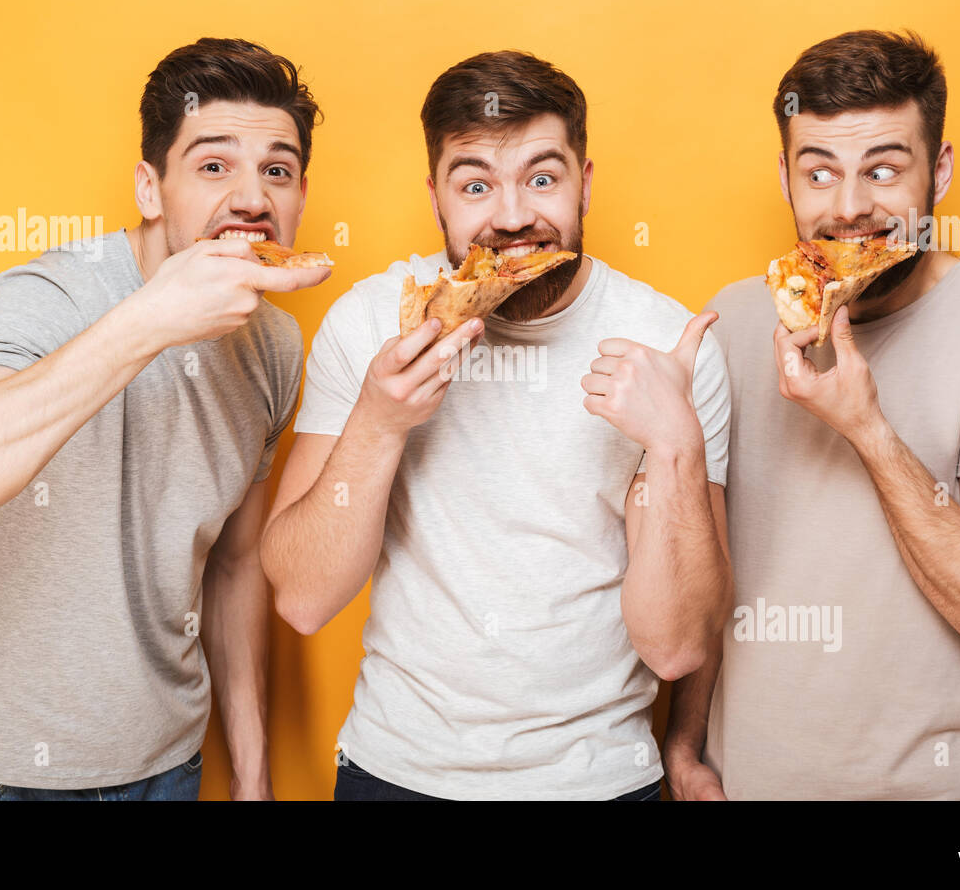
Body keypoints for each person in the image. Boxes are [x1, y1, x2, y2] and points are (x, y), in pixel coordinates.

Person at [261, 50, 734, 800]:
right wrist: (380, 424)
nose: (512, 217)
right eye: (476, 184)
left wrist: (675, 446)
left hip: (603, 780)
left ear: (586, 180)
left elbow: (676, 648)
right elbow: (302, 597)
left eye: (542, 178)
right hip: (396, 773)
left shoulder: (666, 346)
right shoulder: (371, 324)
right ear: (436, 196)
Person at [0, 37, 331, 800]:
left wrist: (251, 775)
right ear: (150, 190)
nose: (252, 199)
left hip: (166, 769)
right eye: (214, 165)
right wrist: (151, 321)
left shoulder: (277, 345)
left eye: (276, 171)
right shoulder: (53, 293)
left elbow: (235, 564)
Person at [664, 30, 960, 800]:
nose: (851, 207)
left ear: (942, 169)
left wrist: (865, 426)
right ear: (786, 178)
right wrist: (687, 744)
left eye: (885, 170)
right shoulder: (731, 321)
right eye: (819, 172)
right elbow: (719, 571)